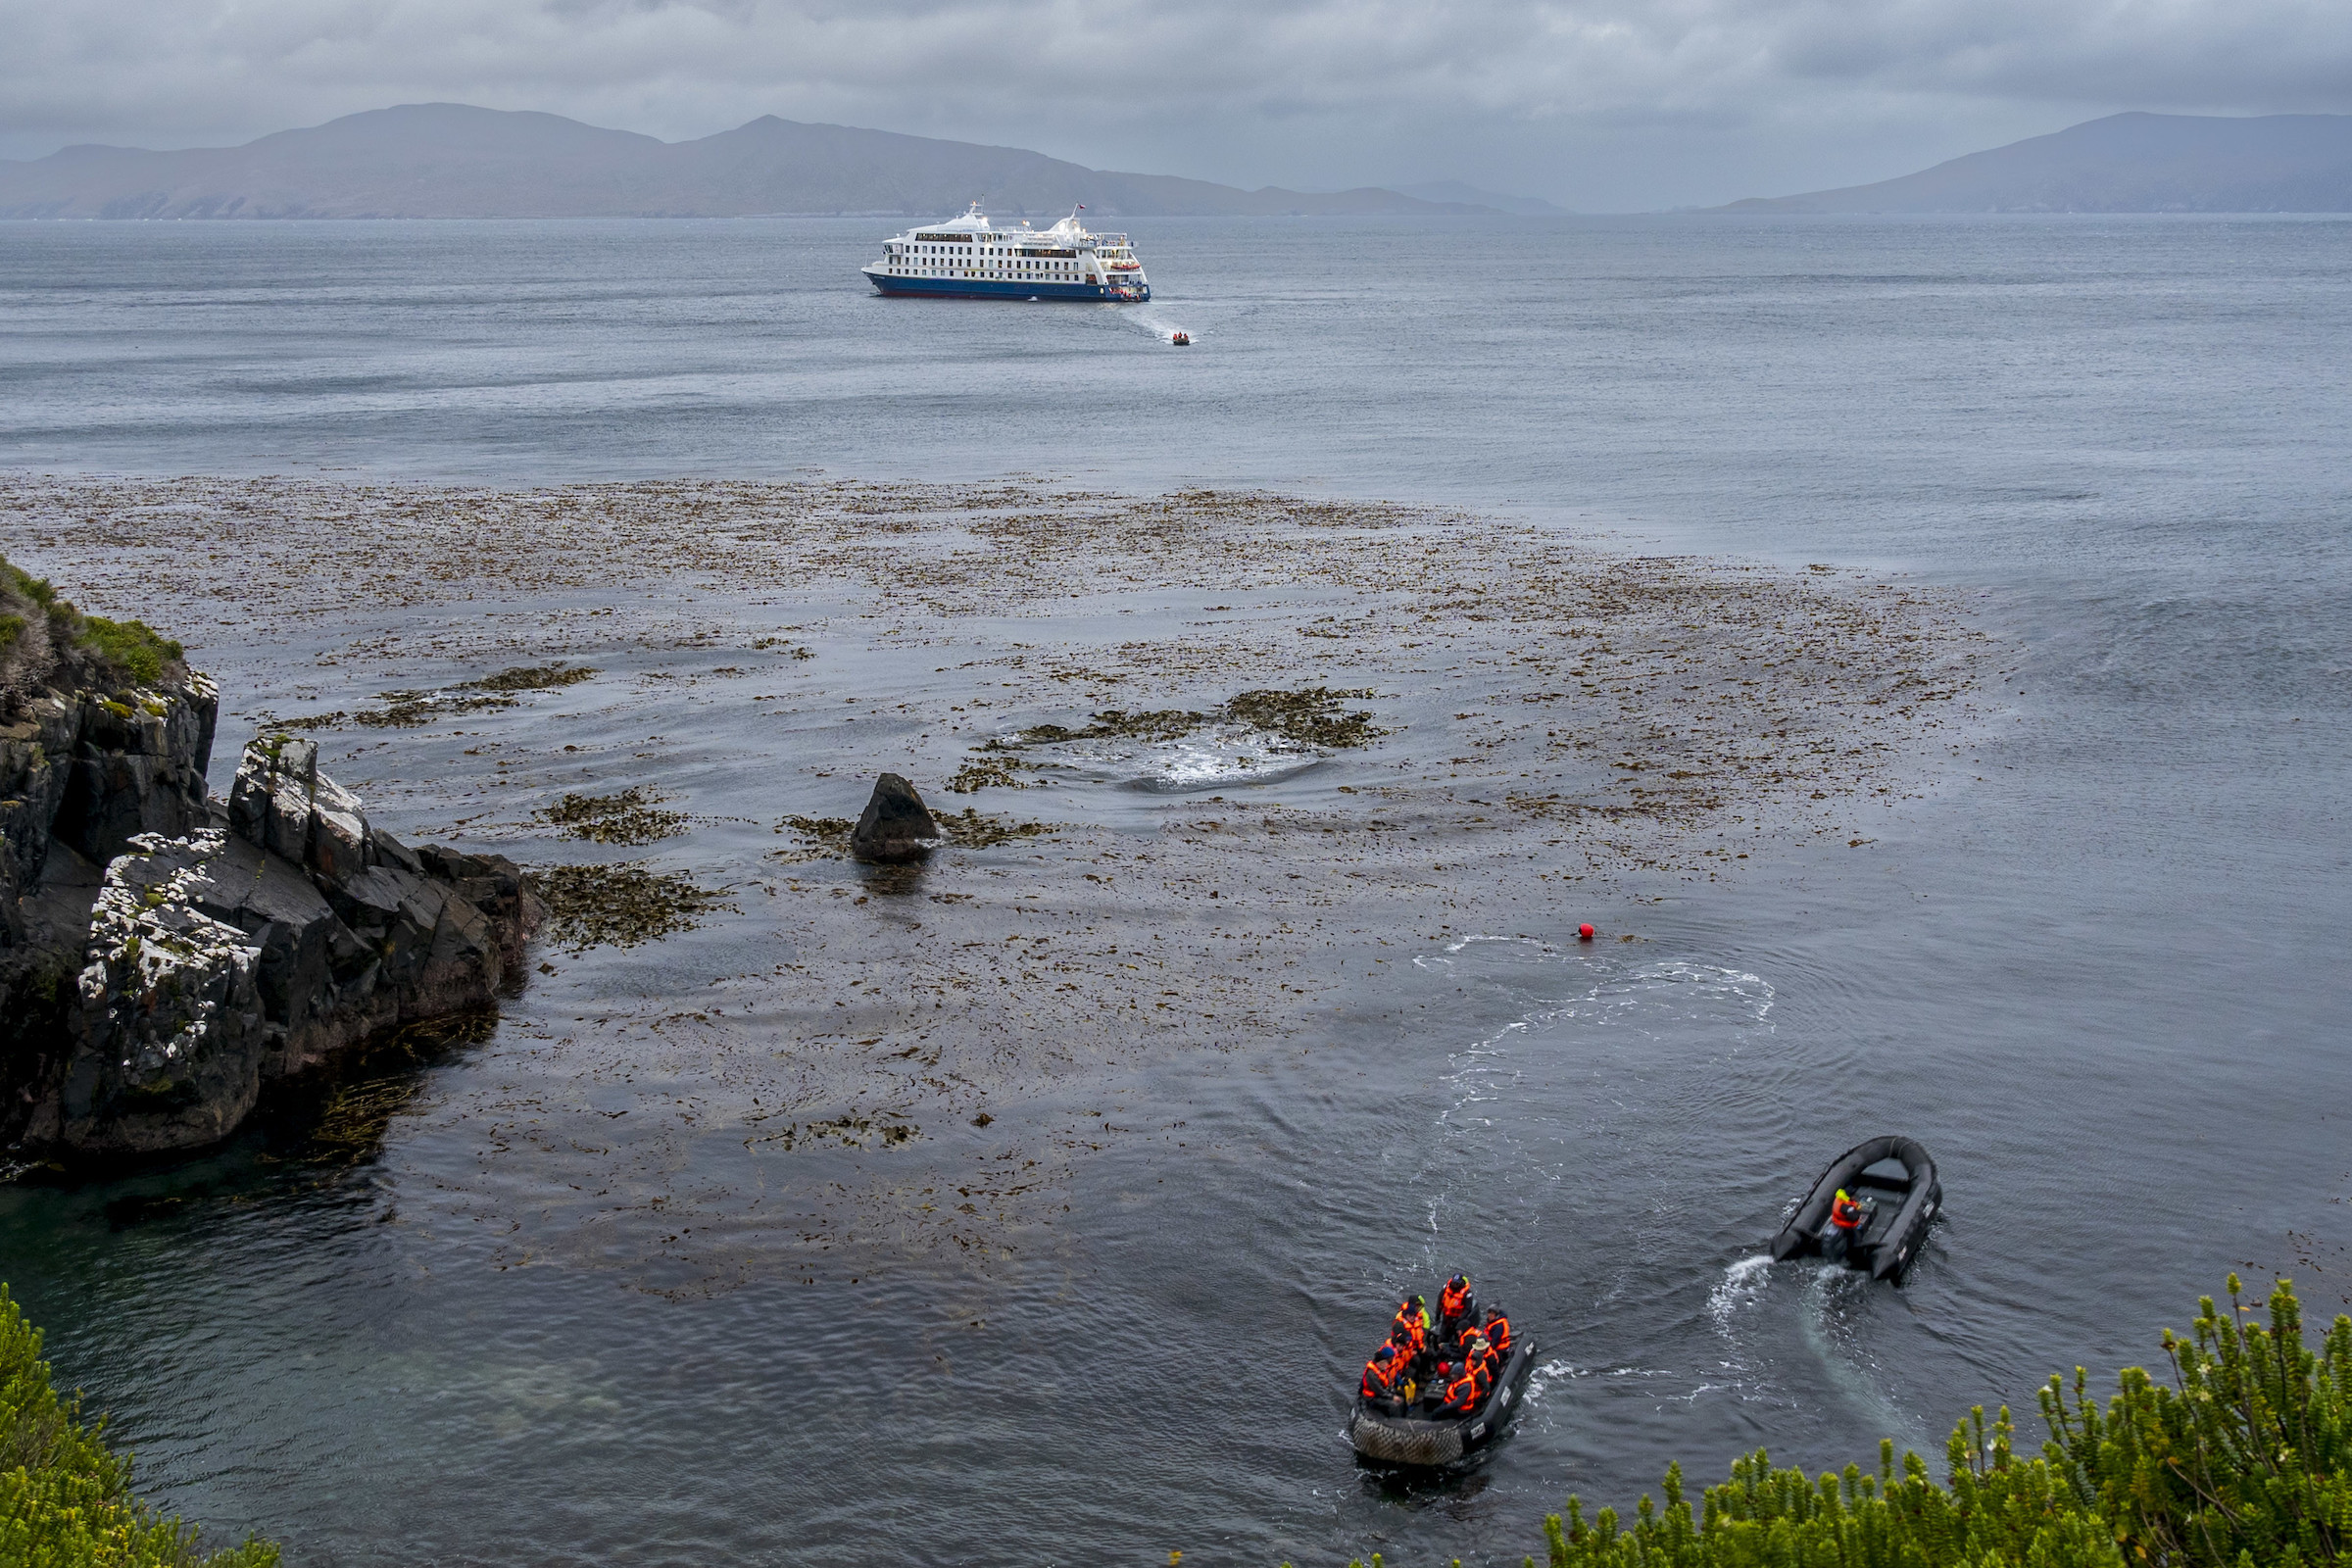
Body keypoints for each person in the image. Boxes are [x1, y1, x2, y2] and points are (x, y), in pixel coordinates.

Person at [1825, 1187, 1865, 1263]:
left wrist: (1855, 1205)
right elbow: (1854, 1217)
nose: (1854, 1196)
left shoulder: (1840, 1199)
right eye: (1853, 1195)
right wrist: (1859, 1211)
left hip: (1837, 1222)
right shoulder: (1846, 1207)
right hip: (1846, 1226)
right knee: (1857, 1235)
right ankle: (1855, 1254)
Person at [1359, 1345, 1403, 1409]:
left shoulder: (1383, 1370)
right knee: (1393, 1405)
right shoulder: (1371, 1374)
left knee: (1400, 1399)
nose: (1386, 1365)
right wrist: (1392, 1397)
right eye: (1383, 1363)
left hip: (1381, 1393)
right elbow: (1378, 1390)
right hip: (1371, 1397)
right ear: (1378, 1363)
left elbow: (1389, 1382)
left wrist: (1392, 1392)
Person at [1438, 1274, 1477, 1341]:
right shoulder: (1446, 1288)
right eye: (1454, 1282)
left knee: (1457, 1337)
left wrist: (1458, 1319)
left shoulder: (1467, 1293)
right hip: (1446, 1316)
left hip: (1458, 1318)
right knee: (1442, 1336)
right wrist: (1437, 1314)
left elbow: (1468, 1309)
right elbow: (1440, 1300)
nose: (1454, 1285)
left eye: (1457, 1283)